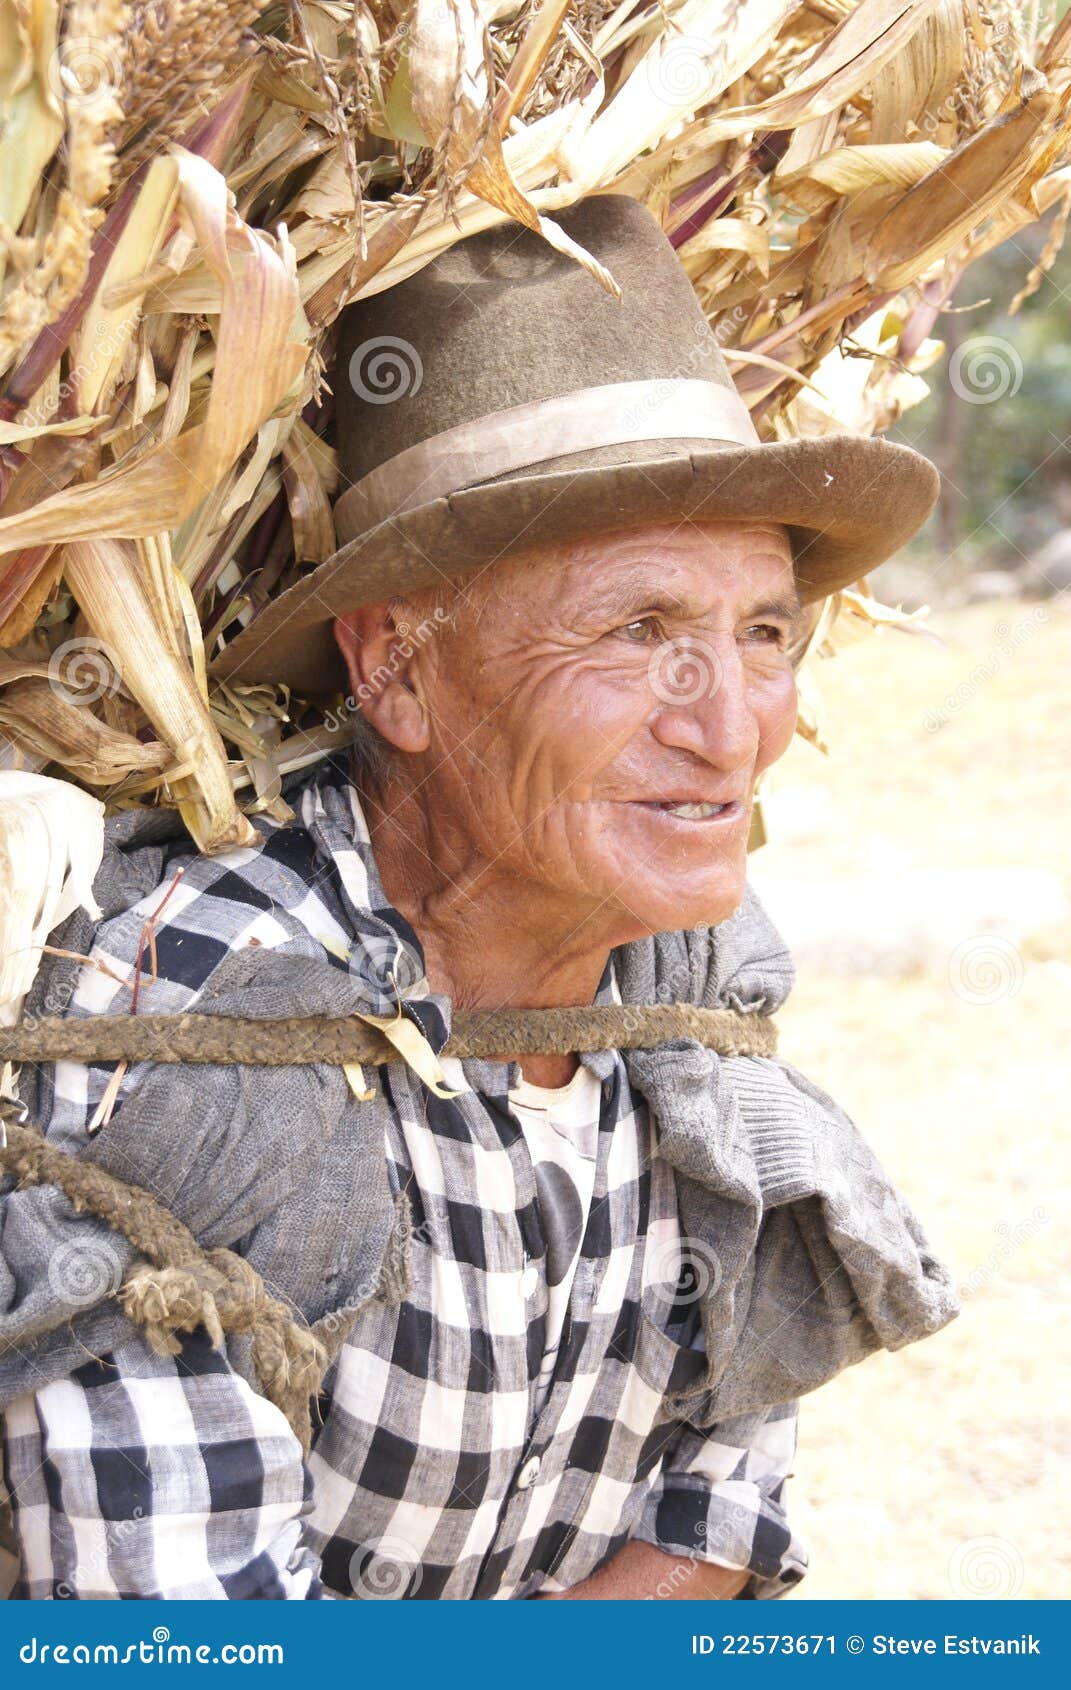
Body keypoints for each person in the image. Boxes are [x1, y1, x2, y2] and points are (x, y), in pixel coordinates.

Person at [0, 198, 957, 1600]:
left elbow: (714, 1514)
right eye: (640, 631)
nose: (733, 726)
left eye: (762, 632)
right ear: (394, 667)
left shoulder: (697, 982)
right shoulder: (188, 1008)